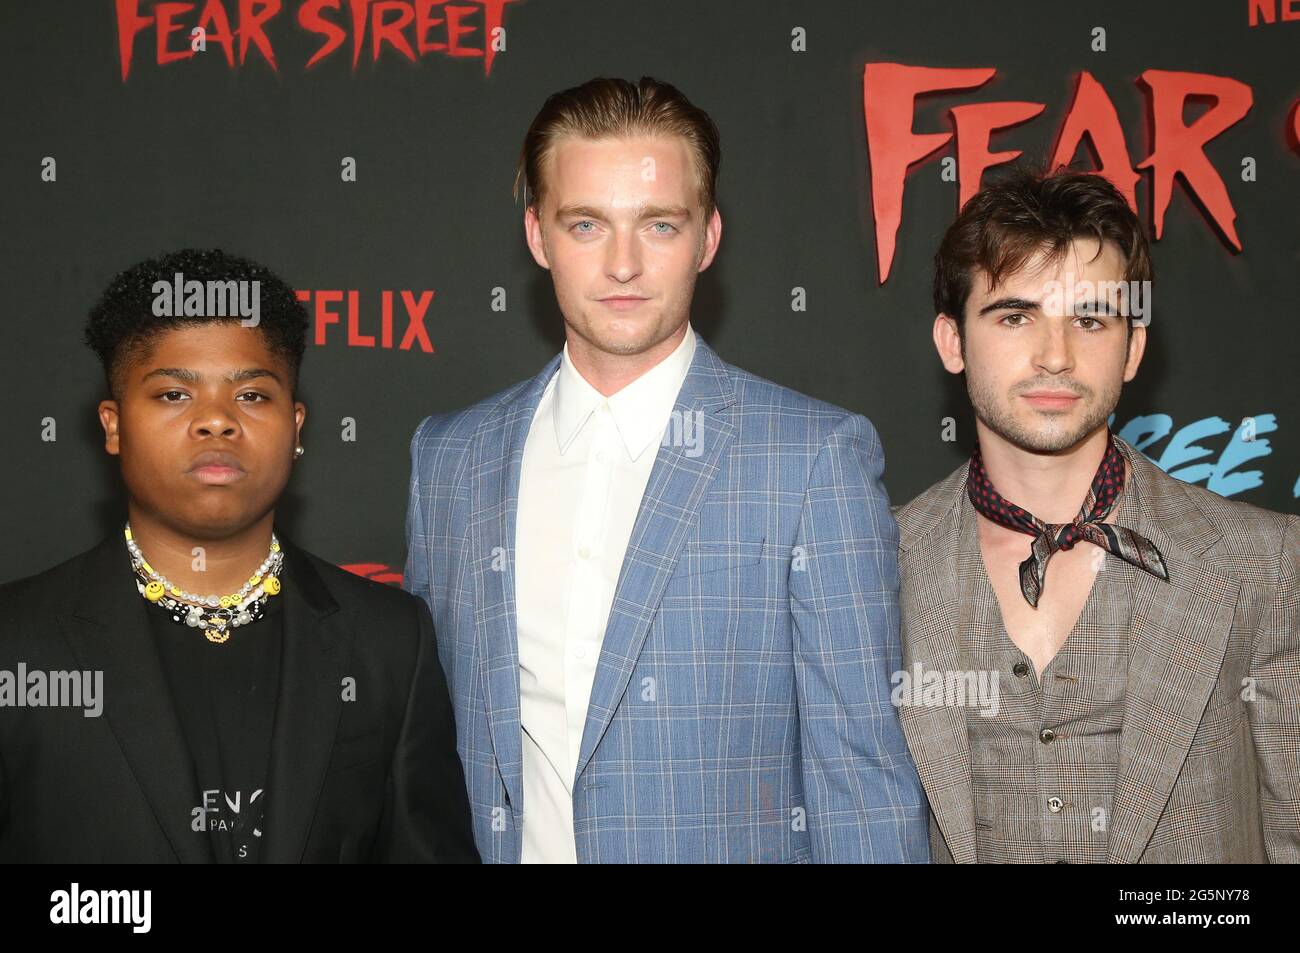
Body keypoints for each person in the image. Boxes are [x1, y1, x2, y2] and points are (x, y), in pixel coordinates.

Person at [403, 76, 928, 863]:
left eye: (658, 224)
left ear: (708, 238)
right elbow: (424, 763)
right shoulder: (450, 459)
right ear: (537, 236)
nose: (622, 263)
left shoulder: (812, 459)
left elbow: (862, 785)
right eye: (586, 224)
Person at [0, 248, 478, 863]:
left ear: (296, 426)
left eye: (252, 396)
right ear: (114, 426)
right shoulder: (17, 640)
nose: (217, 422)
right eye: (174, 394)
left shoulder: (388, 640)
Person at [895, 167, 1299, 863]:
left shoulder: (1266, 563)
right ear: (952, 341)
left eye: (1090, 318)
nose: (1056, 355)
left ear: (1133, 347)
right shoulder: (877, 560)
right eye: (1016, 315)